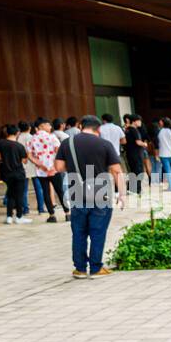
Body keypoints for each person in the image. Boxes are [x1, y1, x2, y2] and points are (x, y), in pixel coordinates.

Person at [55, 115, 125, 278]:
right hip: (101, 193)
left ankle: (79, 269)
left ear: (80, 126)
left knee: (79, 232)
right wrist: (122, 194)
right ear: (98, 129)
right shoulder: (104, 144)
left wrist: (74, 168)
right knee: (97, 231)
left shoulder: (68, 143)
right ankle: (95, 268)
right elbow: (116, 170)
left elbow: (58, 167)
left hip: (77, 193)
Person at [26, 117, 62, 222]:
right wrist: (53, 165)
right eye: (48, 125)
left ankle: (52, 215)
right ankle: (67, 213)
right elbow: (59, 152)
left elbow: (29, 156)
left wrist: (41, 165)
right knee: (60, 191)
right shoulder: (52, 137)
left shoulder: (31, 139)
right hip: (54, 169)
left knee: (45, 191)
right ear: (42, 126)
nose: (50, 127)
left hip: (41, 171)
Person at [0, 124, 30, 224]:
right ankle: (19, 216)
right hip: (18, 173)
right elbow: (24, 161)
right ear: (17, 133)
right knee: (19, 195)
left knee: (10, 194)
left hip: (6, 173)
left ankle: (9, 217)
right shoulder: (20, 146)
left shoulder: (0, 143)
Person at [155, 118, 171, 191]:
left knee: (168, 170)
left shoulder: (160, 132)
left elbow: (157, 144)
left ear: (163, 123)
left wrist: (157, 154)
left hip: (163, 154)